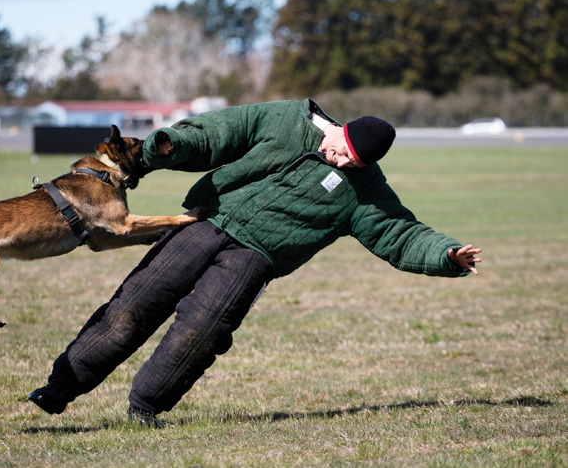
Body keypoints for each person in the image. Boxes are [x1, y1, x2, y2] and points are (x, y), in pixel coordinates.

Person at [28, 98, 481, 427]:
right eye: (343, 150)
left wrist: (445, 255)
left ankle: (144, 408)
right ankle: (61, 387)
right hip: (202, 222)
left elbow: (398, 232)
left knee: (200, 334)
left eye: (354, 162)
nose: (341, 161)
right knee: (131, 307)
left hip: (254, 259)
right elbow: (220, 132)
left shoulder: (364, 190)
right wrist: (169, 144)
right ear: (341, 131)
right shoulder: (288, 120)